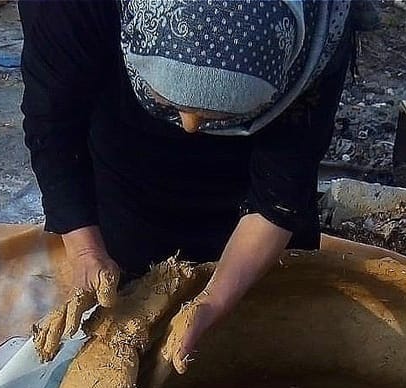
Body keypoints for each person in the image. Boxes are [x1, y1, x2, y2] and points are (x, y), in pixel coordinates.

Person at [19, 0, 361, 367]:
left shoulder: (321, 27)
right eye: (173, 103)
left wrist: (212, 303)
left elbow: (281, 194)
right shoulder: (68, 11)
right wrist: (87, 252)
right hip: (127, 144)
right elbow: (53, 124)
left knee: (274, 321)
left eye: (218, 115)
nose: (190, 126)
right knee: (134, 287)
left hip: (247, 165)